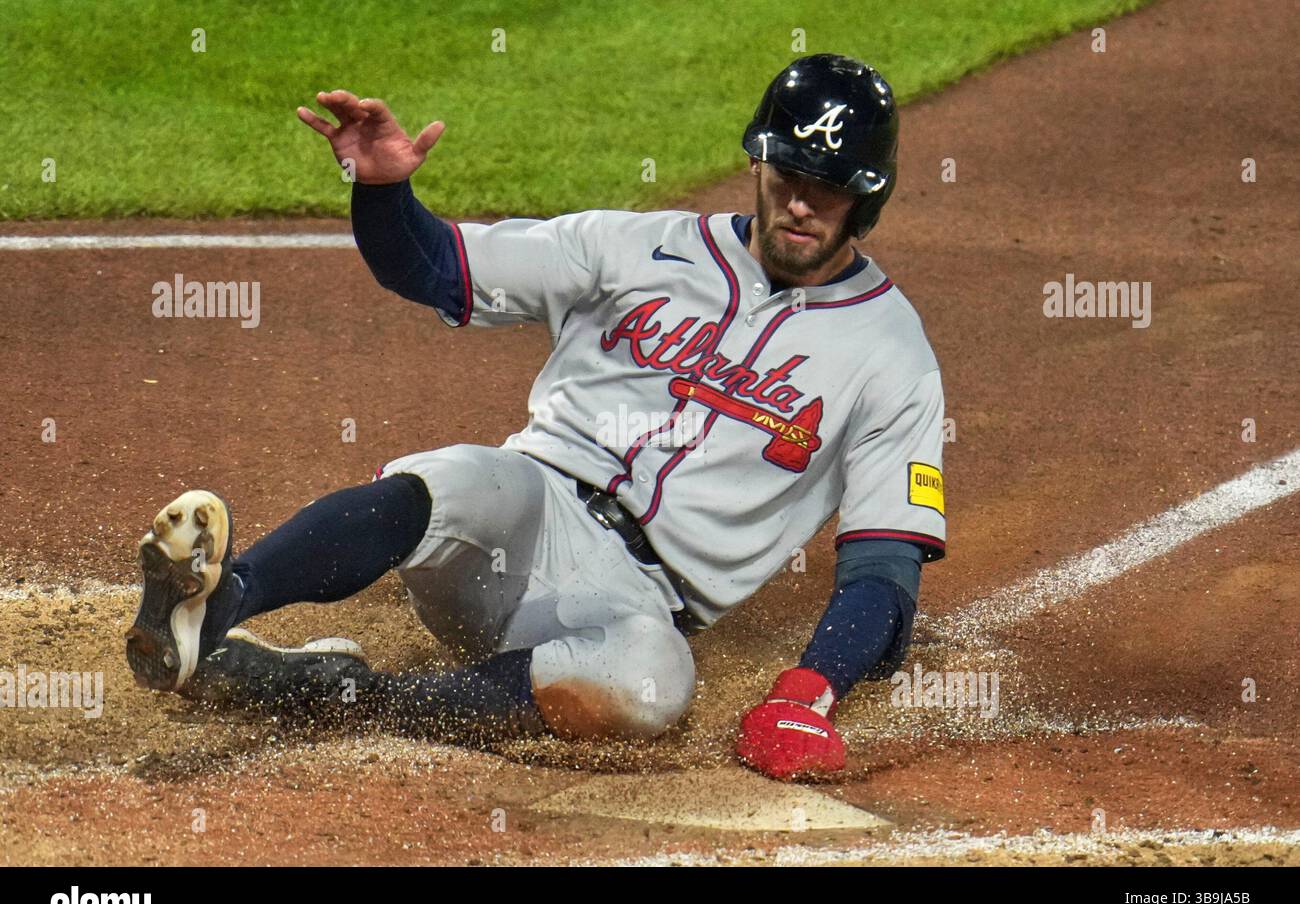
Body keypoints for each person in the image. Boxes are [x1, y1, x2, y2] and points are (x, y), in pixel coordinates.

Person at [124, 53, 945, 779]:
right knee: (464, 476)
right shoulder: (631, 247)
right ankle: (219, 603)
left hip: (631, 606)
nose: (801, 205)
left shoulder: (891, 355)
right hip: (521, 517)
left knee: (656, 683)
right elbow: (436, 267)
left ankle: (336, 694)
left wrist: (810, 691)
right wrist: (383, 192)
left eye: (828, 190)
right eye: (787, 174)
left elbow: (884, 570)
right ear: (758, 164)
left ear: (865, 201)